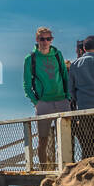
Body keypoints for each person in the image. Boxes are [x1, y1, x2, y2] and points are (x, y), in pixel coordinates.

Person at [22, 28, 69, 167]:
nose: (45, 42)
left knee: (65, 138)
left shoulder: (57, 54)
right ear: (37, 40)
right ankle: (44, 169)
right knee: (43, 140)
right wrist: (36, 102)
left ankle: (67, 169)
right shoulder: (30, 58)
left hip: (62, 101)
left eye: (48, 39)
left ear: (52, 40)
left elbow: (65, 76)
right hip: (44, 103)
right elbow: (26, 84)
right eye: (42, 39)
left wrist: (68, 96)